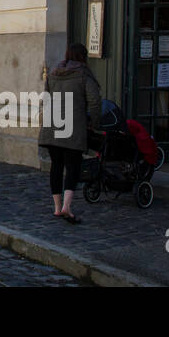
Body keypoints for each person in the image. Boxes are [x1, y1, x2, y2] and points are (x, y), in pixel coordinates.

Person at [38, 42, 101, 225]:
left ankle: (57, 208)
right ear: (83, 57)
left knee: (56, 165)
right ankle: (67, 206)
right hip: (73, 128)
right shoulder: (84, 75)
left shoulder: (54, 73)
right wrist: (94, 123)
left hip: (52, 126)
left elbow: (46, 99)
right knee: (73, 166)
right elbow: (95, 101)